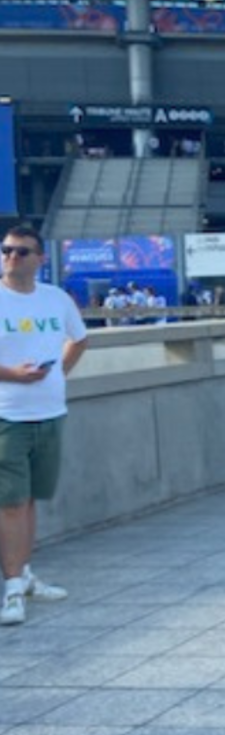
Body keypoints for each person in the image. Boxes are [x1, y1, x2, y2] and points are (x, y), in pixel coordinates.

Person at [0, 225, 89, 627]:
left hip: (50, 412)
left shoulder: (56, 299)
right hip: (7, 415)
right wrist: (12, 375)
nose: (11, 257)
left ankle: (26, 573)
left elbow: (80, 339)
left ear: (40, 258)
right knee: (11, 503)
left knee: (31, 498)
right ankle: (13, 586)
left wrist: (59, 374)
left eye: (21, 252)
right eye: (6, 250)